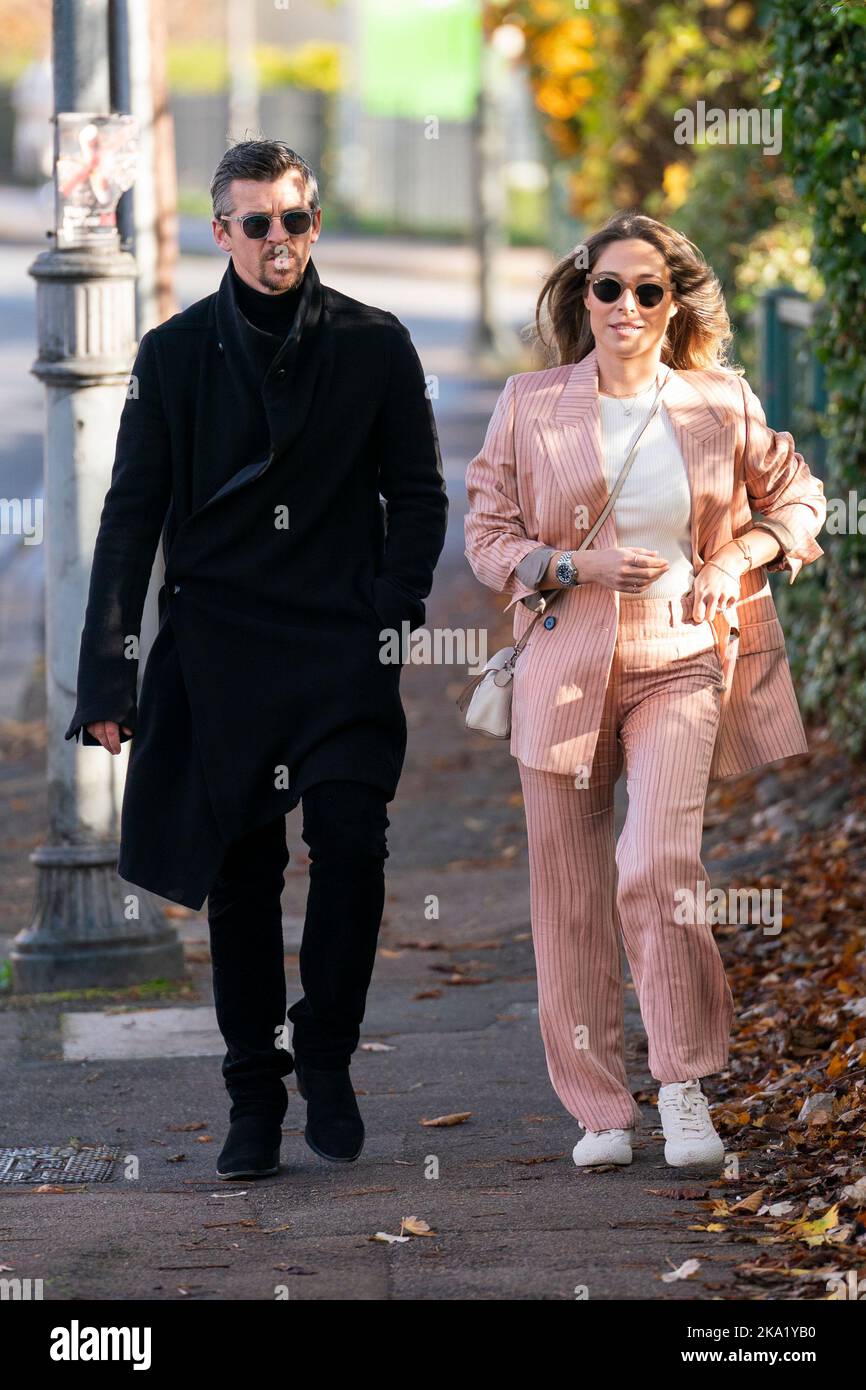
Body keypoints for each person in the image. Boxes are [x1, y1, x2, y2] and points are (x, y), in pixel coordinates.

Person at [65, 139, 448, 1179]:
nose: (278, 238)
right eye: (256, 222)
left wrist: (390, 608)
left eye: (294, 219)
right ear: (220, 232)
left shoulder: (374, 342)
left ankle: (325, 1049)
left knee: (352, 845)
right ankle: (252, 1091)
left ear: (313, 223)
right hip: (219, 652)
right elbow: (129, 518)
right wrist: (108, 676)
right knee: (241, 877)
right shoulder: (173, 353)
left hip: (337, 646)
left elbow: (418, 496)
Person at [463, 211, 825, 1169]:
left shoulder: (720, 401)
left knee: (658, 865)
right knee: (570, 899)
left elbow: (800, 498)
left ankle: (684, 1086)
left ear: (674, 306)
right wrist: (571, 565)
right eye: (609, 287)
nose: (627, 305)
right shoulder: (529, 402)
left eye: (648, 290)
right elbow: (488, 535)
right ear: (584, 298)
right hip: (562, 668)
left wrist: (737, 556)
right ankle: (600, 1111)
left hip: (682, 657)